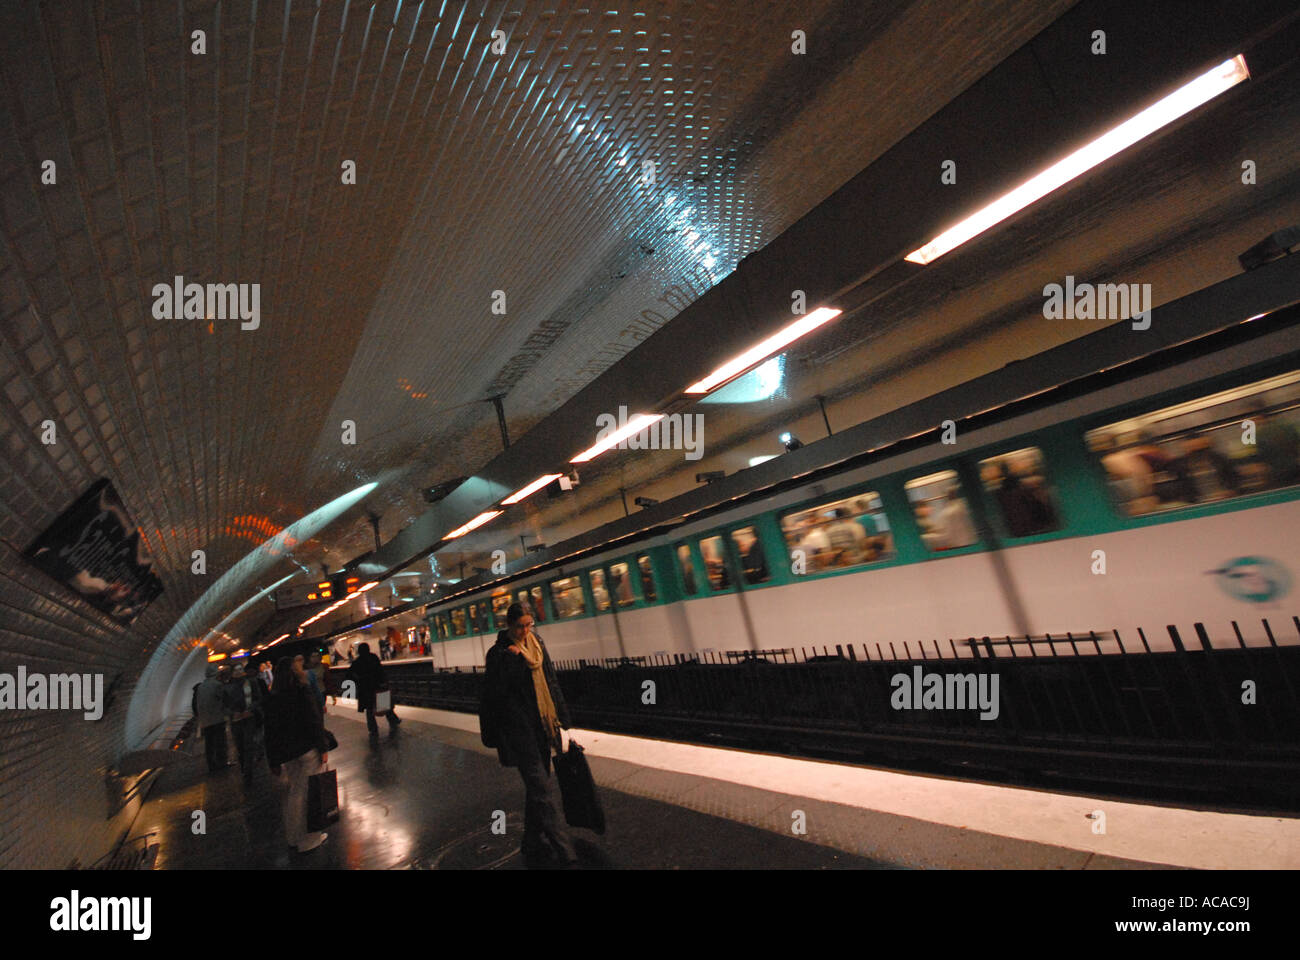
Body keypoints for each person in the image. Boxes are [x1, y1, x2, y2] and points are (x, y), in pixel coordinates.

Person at [479, 603, 577, 865]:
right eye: (520, 626)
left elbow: (550, 679)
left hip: (542, 726)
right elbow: (496, 695)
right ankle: (567, 852)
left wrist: (562, 716)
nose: (525, 631)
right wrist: (513, 662)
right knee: (543, 791)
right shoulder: (499, 654)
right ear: (509, 626)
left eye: (528, 625)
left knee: (538, 787)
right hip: (518, 733)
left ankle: (532, 841)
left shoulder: (537, 644)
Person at [264, 656, 331, 853]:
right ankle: (309, 840)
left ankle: (293, 837)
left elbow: (270, 731)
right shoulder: (301, 690)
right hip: (307, 750)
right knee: (309, 794)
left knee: (295, 793)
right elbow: (313, 720)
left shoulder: (273, 696)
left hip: (288, 753)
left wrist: (273, 760)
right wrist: (323, 747)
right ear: (296, 671)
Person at [345, 642, 401, 739]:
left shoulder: (357, 662)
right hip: (378, 686)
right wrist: (384, 682)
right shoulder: (373, 657)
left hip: (365, 689)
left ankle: (373, 729)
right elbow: (380, 671)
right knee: (384, 706)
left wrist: (359, 680)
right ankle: (393, 720)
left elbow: (349, 675)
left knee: (369, 710)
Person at [225, 662, 265, 782]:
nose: (239, 672)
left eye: (240, 669)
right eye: (236, 670)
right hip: (236, 721)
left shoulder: (251, 682)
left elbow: (258, 698)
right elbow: (224, 706)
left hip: (249, 718)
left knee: (248, 744)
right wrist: (233, 713)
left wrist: (251, 708)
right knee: (240, 746)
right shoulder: (227, 687)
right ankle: (244, 767)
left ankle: (248, 771)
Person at [193, 664, 230, 773]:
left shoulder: (201, 686)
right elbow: (223, 699)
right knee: (220, 742)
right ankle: (222, 763)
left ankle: (211, 765)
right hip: (217, 718)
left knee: (209, 744)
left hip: (205, 721)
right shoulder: (217, 685)